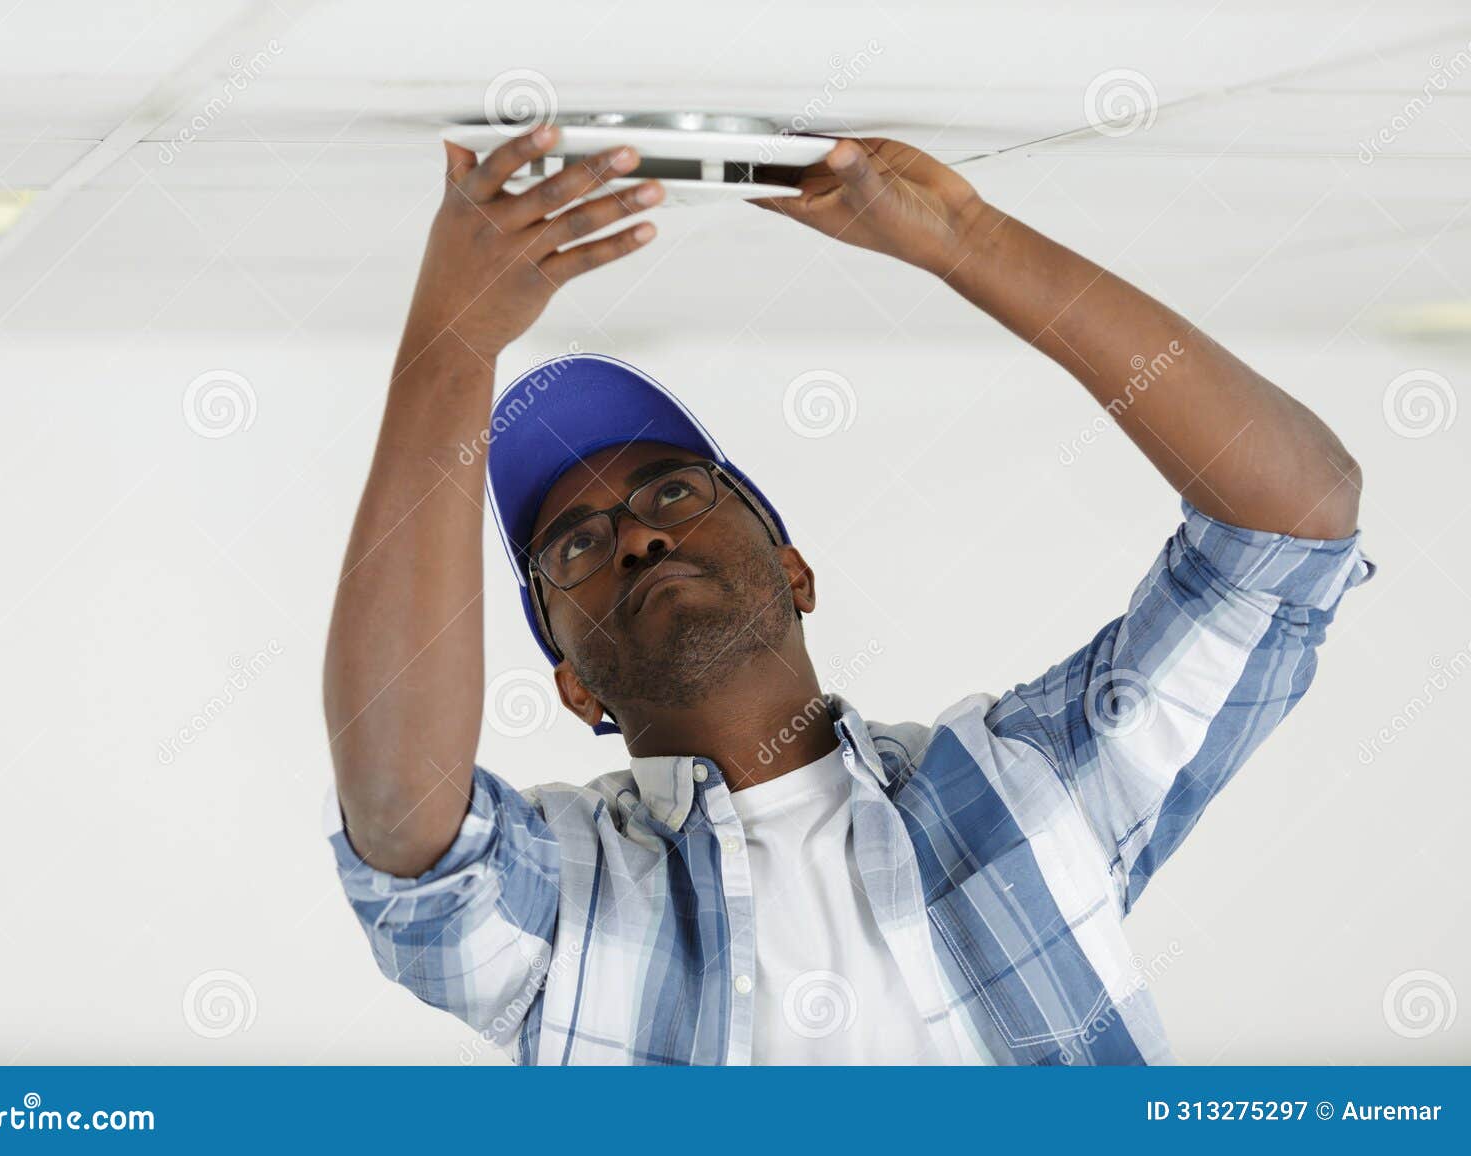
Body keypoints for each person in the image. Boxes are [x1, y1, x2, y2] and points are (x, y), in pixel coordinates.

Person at [320, 125, 1374, 1065]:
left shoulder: (1025, 786)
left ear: (793, 569)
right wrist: (449, 344)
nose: (635, 533)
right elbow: (404, 816)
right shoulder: (565, 894)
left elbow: (1290, 522)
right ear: (570, 686)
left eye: (674, 490)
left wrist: (965, 240)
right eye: (575, 548)